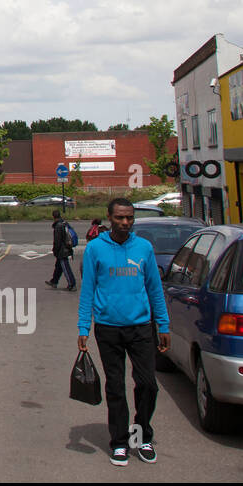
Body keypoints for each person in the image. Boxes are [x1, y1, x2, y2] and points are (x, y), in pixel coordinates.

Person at [76, 197, 171, 467]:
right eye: (119, 218)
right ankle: (119, 441)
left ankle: (141, 436)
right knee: (115, 387)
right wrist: (84, 326)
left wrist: (162, 325)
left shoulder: (144, 248)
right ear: (109, 217)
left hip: (141, 327)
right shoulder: (95, 249)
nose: (125, 222)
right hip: (108, 329)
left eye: (129, 217)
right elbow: (88, 291)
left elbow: (154, 289)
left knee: (147, 384)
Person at [45, 209, 76, 291]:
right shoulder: (64, 223)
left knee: (65, 267)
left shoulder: (58, 226)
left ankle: (72, 284)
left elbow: (57, 241)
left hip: (62, 250)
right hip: (66, 248)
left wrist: (55, 250)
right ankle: (54, 281)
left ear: (53, 216)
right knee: (58, 266)